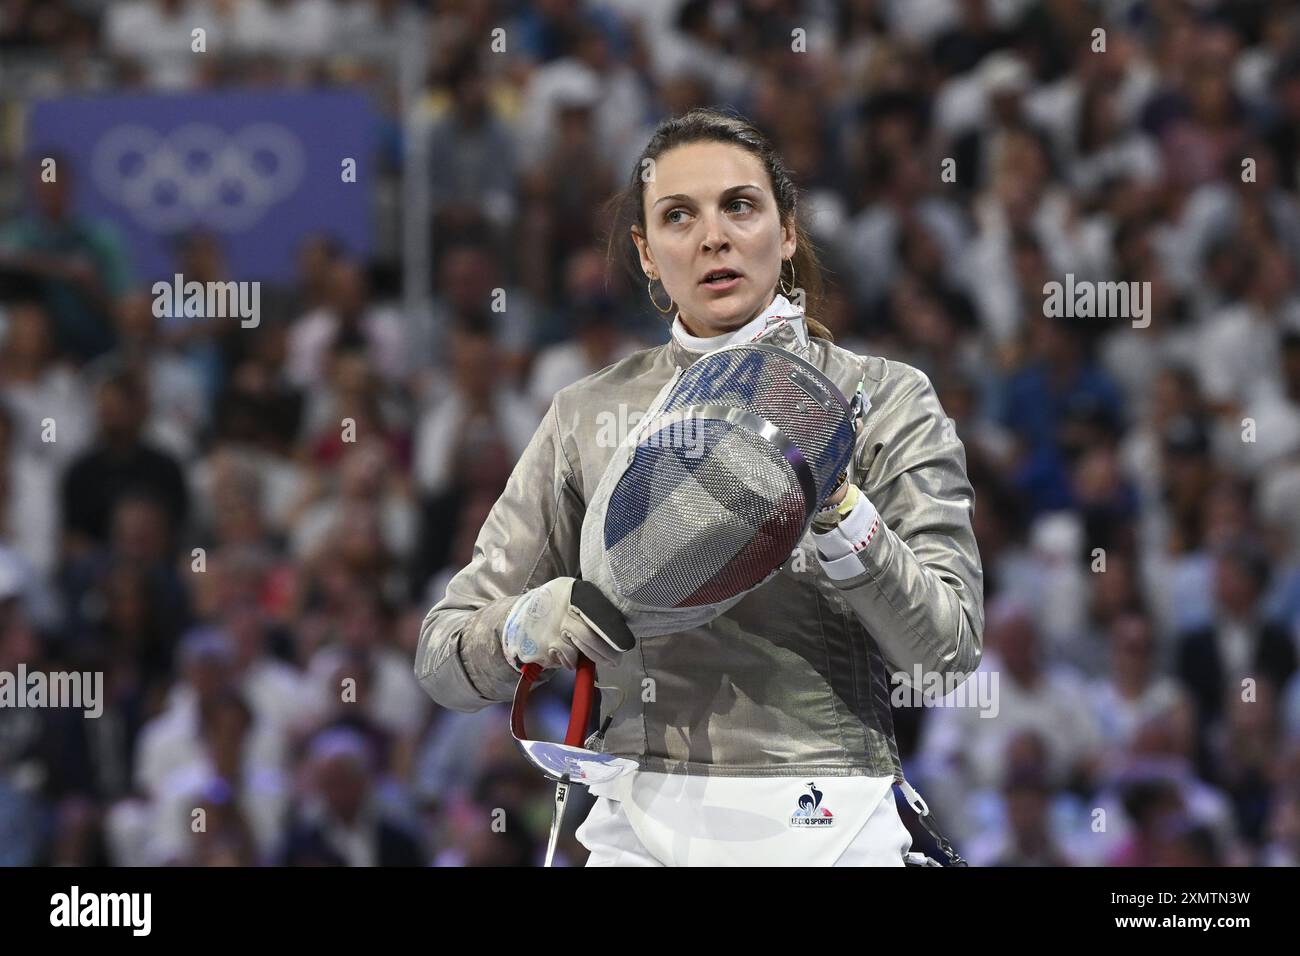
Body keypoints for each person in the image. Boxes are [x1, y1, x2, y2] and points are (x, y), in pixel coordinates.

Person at [415, 108, 984, 866]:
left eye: (739, 207)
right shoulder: (590, 415)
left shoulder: (883, 398)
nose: (713, 236)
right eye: (678, 217)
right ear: (648, 255)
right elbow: (442, 656)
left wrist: (840, 509)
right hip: (638, 825)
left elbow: (945, 654)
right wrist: (523, 627)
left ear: (785, 234)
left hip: (832, 818)